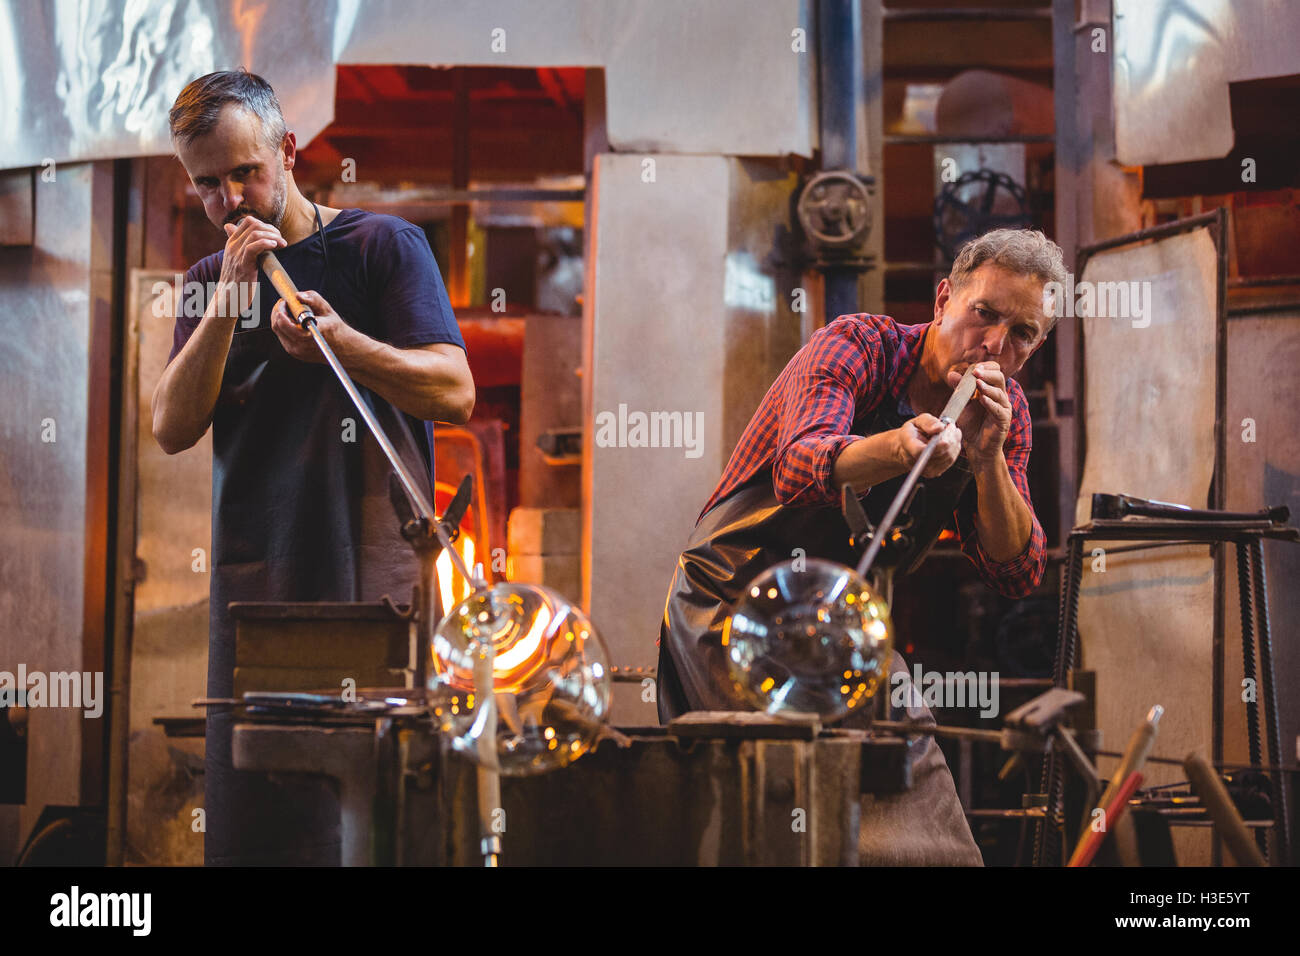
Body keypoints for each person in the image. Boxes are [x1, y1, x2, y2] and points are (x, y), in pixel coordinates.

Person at [656, 228, 1066, 865]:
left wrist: (987, 462)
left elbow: (1019, 570)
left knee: (917, 791)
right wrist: (902, 448)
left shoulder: (1002, 411)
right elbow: (798, 466)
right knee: (788, 797)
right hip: (735, 603)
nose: (994, 344)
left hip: (844, 623)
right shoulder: (859, 345)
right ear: (942, 301)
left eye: (1023, 333)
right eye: (983, 314)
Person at [151, 70, 475, 865]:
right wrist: (229, 297)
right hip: (257, 597)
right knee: (257, 818)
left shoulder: (381, 247)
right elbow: (170, 426)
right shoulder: (204, 284)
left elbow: (455, 390)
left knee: (368, 815)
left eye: (244, 174)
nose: (230, 201)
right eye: (207, 186)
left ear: (288, 152)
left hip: (372, 587)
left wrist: (346, 346)